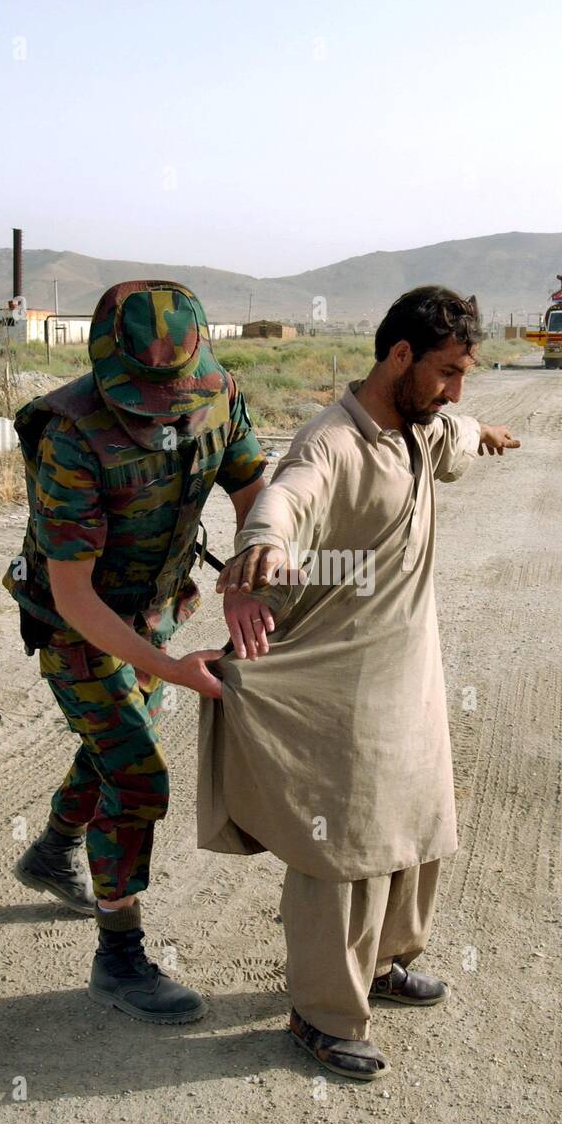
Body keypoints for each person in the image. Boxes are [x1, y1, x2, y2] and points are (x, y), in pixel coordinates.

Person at [199, 285, 520, 1079]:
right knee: (340, 849)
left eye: (463, 377)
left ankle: (384, 961)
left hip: (408, 676)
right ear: (398, 356)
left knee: (420, 821)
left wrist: (485, 433)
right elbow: (285, 496)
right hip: (340, 688)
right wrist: (264, 545)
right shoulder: (330, 443)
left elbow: (456, 433)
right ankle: (320, 1013)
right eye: (446, 372)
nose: (454, 390)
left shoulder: (419, 428)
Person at [3, 280, 266, 1023]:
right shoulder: (72, 434)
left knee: (113, 742)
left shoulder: (219, 395)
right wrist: (172, 672)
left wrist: (249, 572)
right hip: (74, 627)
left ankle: (52, 851)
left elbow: (251, 490)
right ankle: (118, 955)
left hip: (154, 612)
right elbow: (75, 595)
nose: (167, 411)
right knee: (137, 768)